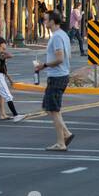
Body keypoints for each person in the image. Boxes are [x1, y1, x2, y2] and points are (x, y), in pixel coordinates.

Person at [36, 11, 75, 151]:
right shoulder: (63, 35)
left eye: (45, 19)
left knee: (54, 110)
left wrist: (44, 65)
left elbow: (60, 58)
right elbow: (67, 56)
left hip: (57, 76)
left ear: (52, 21)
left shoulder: (57, 37)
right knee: (48, 107)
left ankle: (61, 143)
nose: (43, 21)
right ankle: (66, 133)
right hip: (60, 75)